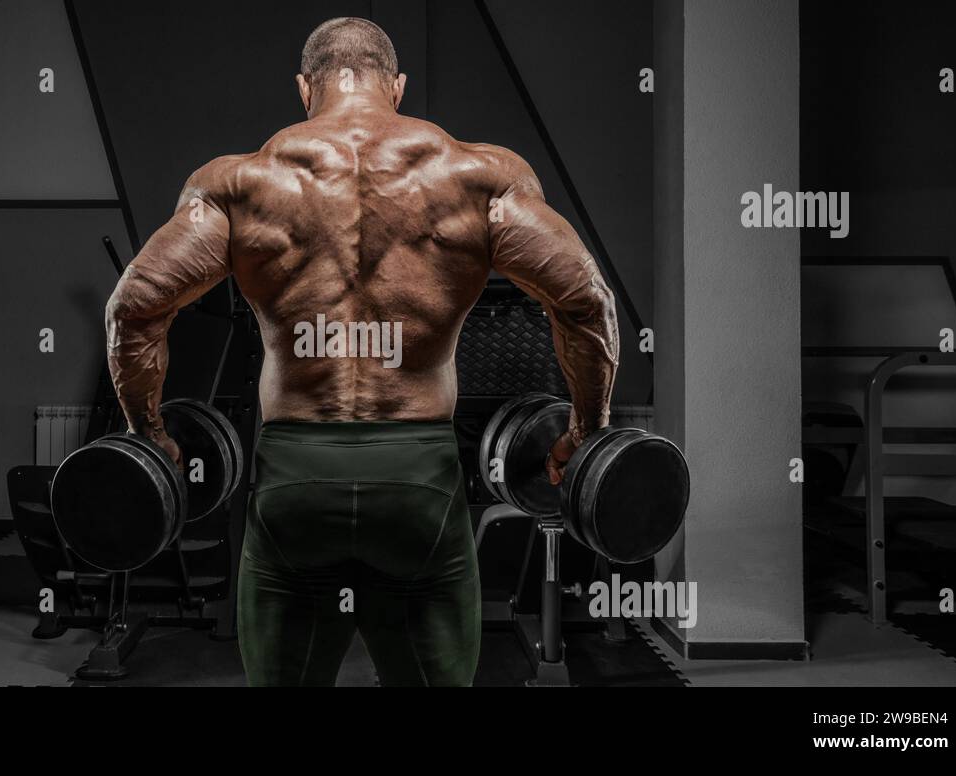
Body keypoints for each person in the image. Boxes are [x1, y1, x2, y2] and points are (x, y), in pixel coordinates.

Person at [105, 17, 619, 686]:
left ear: (303, 87)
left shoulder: (238, 185)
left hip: (294, 478)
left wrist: (148, 430)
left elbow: (135, 306)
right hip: (418, 483)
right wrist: (585, 431)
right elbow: (587, 303)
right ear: (396, 86)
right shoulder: (480, 177)